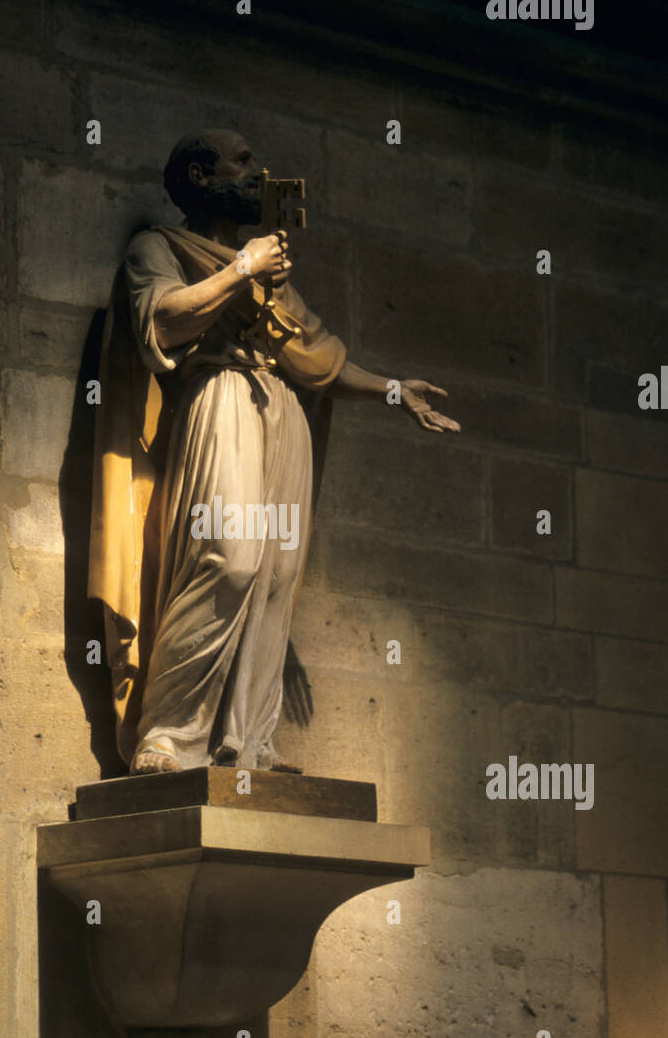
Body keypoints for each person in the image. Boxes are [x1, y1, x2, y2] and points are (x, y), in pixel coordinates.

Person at [87, 129, 460, 776]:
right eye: (242, 162)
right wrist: (241, 270)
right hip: (220, 396)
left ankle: (248, 744)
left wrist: (395, 392)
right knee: (229, 560)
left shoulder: (271, 275)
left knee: (272, 578)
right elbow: (165, 322)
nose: (257, 174)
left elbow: (316, 357)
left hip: (280, 414)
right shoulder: (159, 247)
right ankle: (170, 734)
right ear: (200, 177)